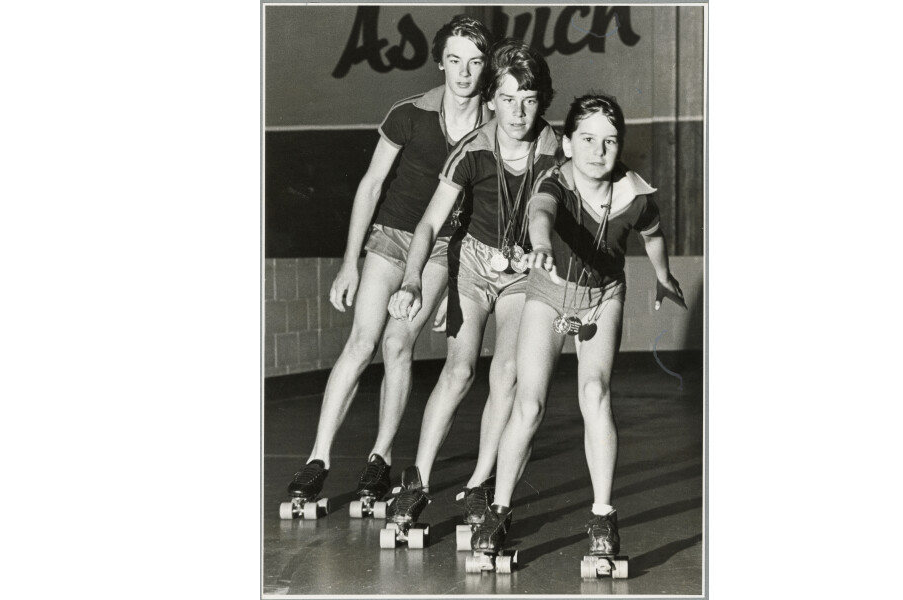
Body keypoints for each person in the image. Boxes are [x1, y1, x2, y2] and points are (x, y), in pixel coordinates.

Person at [282, 16, 494, 519]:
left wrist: (452, 290)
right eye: (455, 60)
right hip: (390, 237)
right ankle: (318, 458)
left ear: (486, 68)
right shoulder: (410, 113)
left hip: (444, 247)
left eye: (475, 61)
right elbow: (371, 186)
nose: (464, 72)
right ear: (441, 60)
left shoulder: (494, 125)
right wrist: (349, 263)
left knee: (398, 343)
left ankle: (380, 457)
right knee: (363, 340)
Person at [471, 94, 686, 566]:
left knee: (594, 392)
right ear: (567, 144)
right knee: (528, 404)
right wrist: (542, 245)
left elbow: (652, 233)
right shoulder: (555, 180)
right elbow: (540, 214)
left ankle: (604, 515)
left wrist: (664, 274)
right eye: (586, 139)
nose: (598, 149)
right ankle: (499, 510)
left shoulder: (634, 193)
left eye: (609, 140)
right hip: (549, 291)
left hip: (602, 296)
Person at [381, 38, 559, 542]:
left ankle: (480, 483)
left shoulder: (553, 150)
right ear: (492, 98)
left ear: (541, 100)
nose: (518, 112)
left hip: (525, 271)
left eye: (528, 101)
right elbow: (429, 222)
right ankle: (416, 481)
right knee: (458, 371)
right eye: (507, 99)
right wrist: (414, 278)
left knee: (505, 372)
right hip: (474, 264)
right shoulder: (474, 147)